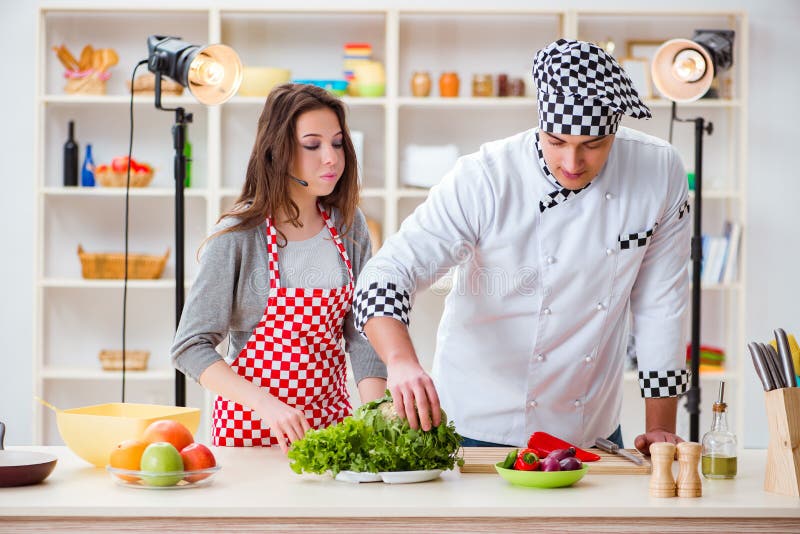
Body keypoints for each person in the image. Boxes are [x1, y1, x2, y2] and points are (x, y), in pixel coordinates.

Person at [353, 39, 691, 454]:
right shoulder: (485, 177)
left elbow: (662, 302)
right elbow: (387, 272)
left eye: (592, 145)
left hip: (589, 427)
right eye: (556, 141)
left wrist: (660, 429)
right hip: (477, 424)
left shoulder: (658, 170)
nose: (571, 163)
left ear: (615, 131)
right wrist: (400, 362)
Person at [171, 83, 387, 452]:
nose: (331, 158)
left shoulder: (351, 226)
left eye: (337, 143)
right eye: (312, 145)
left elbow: (362, 332)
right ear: (279, 152)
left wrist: (376, 417)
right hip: (249, 433)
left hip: (329, 431)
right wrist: (268, 406)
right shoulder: (237, 236)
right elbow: (190, 346)